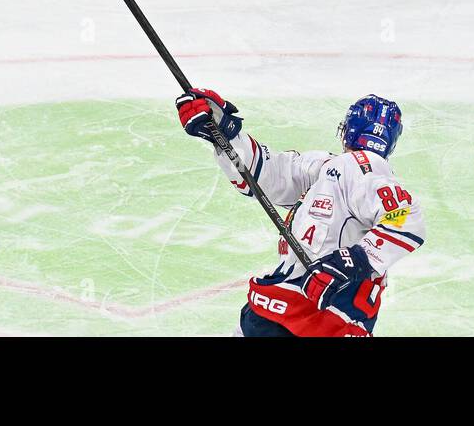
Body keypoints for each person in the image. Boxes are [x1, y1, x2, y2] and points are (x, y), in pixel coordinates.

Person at [175, 88, 425, 336]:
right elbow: (264, 174)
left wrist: (356, 259)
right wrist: (226, 133)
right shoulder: (331, 169)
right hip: (301, 315)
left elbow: (406, 216)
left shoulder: (361, 168)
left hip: (308, 318)